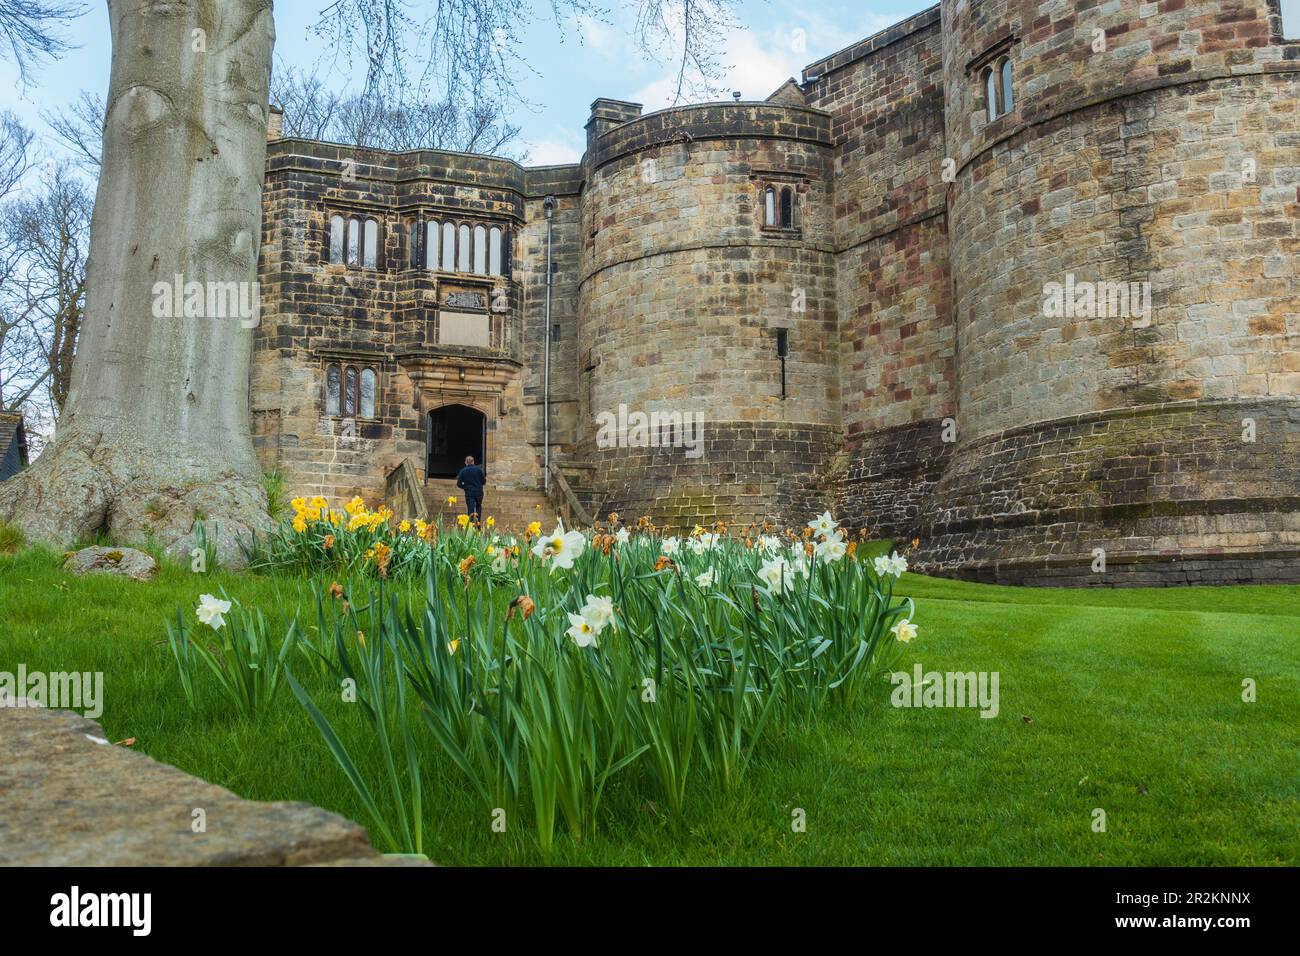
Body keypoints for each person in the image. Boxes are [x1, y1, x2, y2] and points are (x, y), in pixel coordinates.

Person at [455, 455, 486, 525]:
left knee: (470, 509)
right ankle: (478, 524)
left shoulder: (463, 471)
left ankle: (471, 525)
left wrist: (465, 487)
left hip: (469, 492)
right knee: (478, 506)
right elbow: (484, 481)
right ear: (473, 462)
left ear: (465, 462)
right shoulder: (479, 470)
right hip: (479, 492)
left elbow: (459, 484)